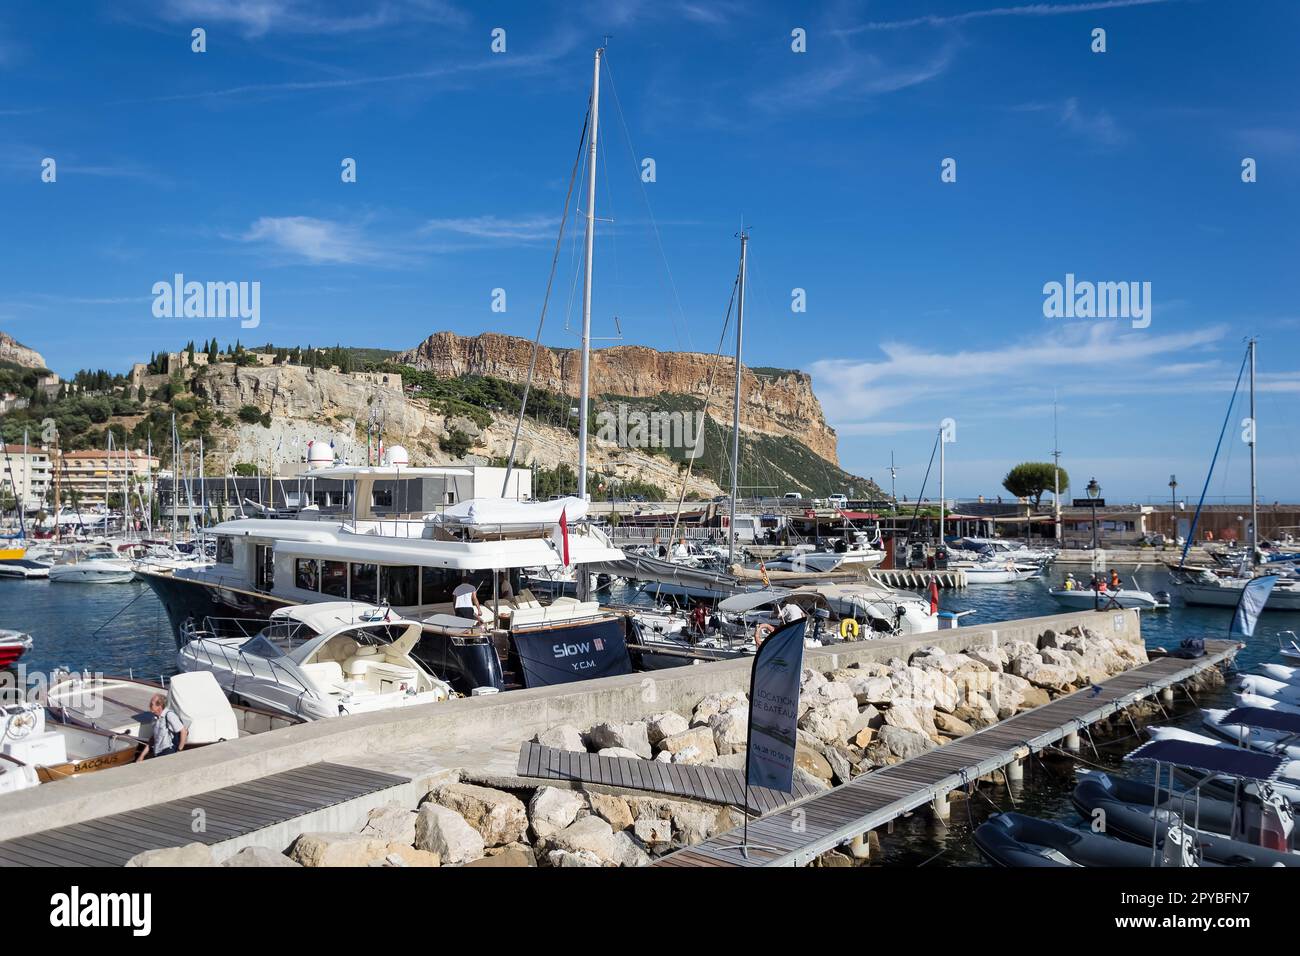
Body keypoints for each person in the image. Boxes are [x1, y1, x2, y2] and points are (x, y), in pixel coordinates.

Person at [136, 694, 187, 761]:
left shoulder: (169, 715)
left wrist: (179, 751)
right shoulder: (154, 718)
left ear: (159, 706)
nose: (149, 706)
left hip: (168, 751)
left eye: (152, 704)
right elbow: (153, 738)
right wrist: (142, 756)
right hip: (157, 752)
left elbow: (183, 731)